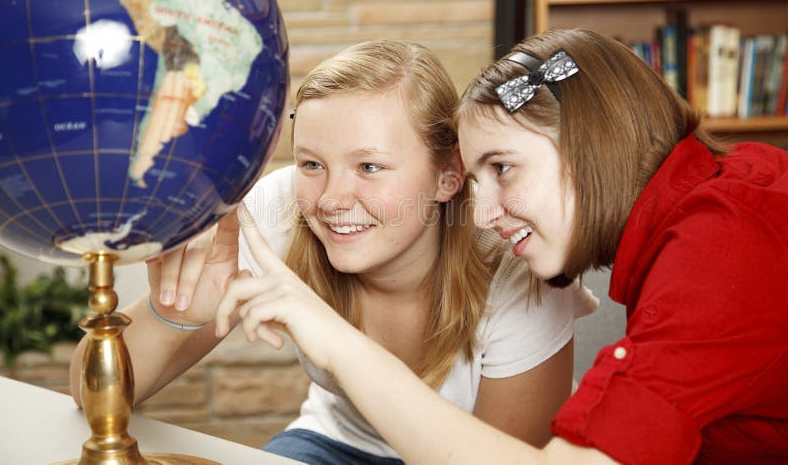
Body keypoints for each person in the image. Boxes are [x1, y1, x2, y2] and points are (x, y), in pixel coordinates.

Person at [213, 28, 788, 464]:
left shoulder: (722, 255)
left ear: (593, 145)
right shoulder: (720, 209)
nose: (483, 213)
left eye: (504, 168)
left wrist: (335, 342)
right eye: (476, 178)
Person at [69, 40, 597, 464]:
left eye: (369, 167)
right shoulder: (279, 209)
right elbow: (88, 397)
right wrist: (179, 311)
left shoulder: (514, 256)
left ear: (448, 176)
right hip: (337, 446)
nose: (331, 200)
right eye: (312, 164)